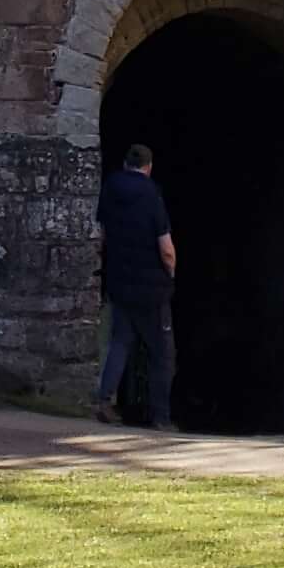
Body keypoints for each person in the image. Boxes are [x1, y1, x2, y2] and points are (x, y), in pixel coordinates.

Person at [93, 139, 175, 429]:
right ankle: (161, 417)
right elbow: (165, 247)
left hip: (120, 280)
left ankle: (105, 400)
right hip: (152, 287)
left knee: (120, 342)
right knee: (161, 353)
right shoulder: (153, 195)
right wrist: (171, 272)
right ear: (149, 167)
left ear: (126, 163)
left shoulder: (110, 188)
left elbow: (102, 235)